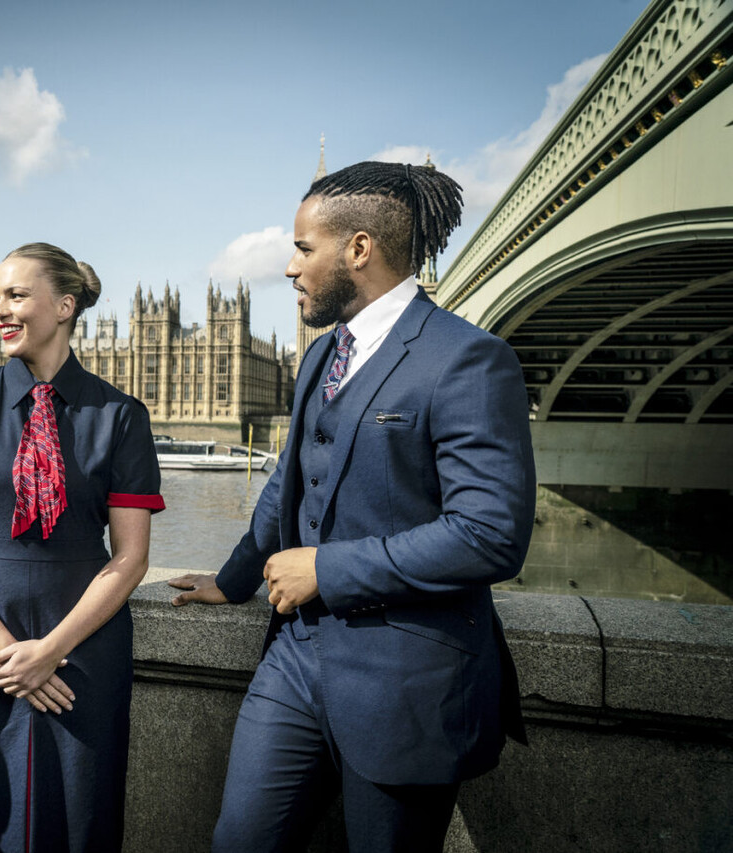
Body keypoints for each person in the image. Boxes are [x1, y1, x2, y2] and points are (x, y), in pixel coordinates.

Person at [170, 161, 536, 852]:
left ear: (359, 249)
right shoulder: (320, 357)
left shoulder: (467, 358)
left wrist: (328, 569)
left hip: (406, 678)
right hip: (295, 656)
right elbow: (290, 483)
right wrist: (235, 576)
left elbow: (490, 535)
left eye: (305, 248)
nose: (289, 266)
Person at [0, 242, 164, 852]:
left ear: (65, 305)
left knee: (79, 815)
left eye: (16, 295)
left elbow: (130, 556)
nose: (0, 309)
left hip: (81, 643)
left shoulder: (120, 415)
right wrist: (10, 654)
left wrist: (51, 650)